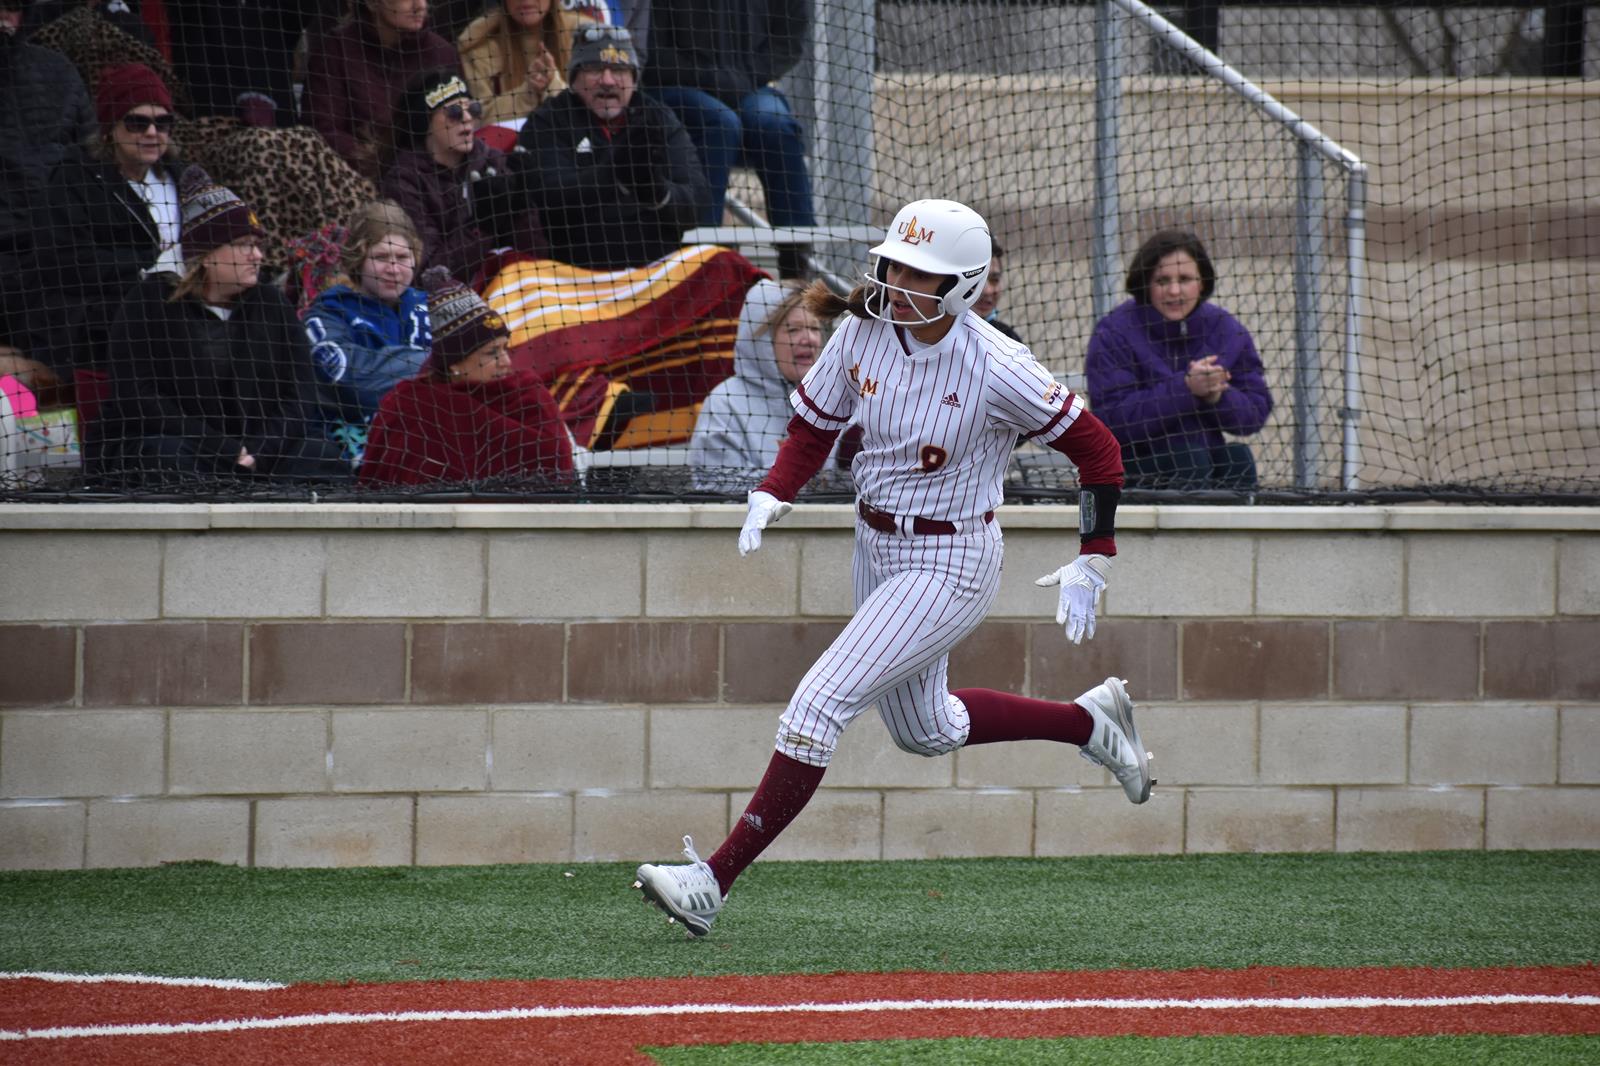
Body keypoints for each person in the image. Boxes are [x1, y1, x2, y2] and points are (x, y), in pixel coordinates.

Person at [633, 198, 1153, 938]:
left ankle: (711, 881)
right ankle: (1088, 722)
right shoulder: (863, 328)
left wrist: (1093, 554)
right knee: (926, 729)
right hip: (875, 543)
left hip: (951, 558)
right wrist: (774, 490)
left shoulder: (996, 363)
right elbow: (813, 425)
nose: (897, 282)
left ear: (963, 285)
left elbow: (1098, 449)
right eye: (894, 265)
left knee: (816, 707)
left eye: (919, 273)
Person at [95, 166, 351, 485]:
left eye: (257, 244)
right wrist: (221, 447)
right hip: (187, 444)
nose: (257, 255)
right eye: (243, 244)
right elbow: (136, 395)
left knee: (322, 457)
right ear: (206, 255)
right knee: (164, 456)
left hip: (260, 450)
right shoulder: (148, 302)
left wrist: (261, 449)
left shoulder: (271, 304)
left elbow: (300, 392)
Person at [27, 63, 183, 387]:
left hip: (182, 310)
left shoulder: (182, 177)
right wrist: (150, 266)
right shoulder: (74, 178)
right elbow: (64, 261)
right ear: (110, 128)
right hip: (98, 323)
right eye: (137, 122)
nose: (152, 132)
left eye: (162, 122)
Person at [504, 24, 706, 271]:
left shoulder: (658, 119)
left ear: (633, 79)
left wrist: (656, 191)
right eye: (595, 69)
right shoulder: (547, 121)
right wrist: (614, 174)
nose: (608, 81)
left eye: (619, 70)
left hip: (656, 274)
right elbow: (549, 201)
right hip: (572, 275)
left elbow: (697, 202)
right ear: (574, 79)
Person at [1084, 229, 1272, 490]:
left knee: (1238, 459)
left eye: (1184, 279)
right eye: (1162, 281)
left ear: (1202, 282)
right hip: (1135, 465)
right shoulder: (1115, 331)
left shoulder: (1225, 329)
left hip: (1204, 460)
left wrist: (1217, 397)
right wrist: (1186, 389)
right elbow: (1112, 420)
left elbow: (1255, 411)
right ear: (1146, 283)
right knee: (1189, 460)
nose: (1174, 291)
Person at [641, 0, 814, 278]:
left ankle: (795, 262)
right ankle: (701, 253)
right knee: (720, 123)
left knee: (776, 126)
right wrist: (715, 78)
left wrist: (744, 76)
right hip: (676, 85)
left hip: (750, 84)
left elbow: (788, 42)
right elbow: (652, 52)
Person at [359, 265, 575, 485]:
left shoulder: (526, 395)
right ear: (454, 363)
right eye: (492, 353)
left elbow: (557, 466)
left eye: (505, 349)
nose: (506, 362)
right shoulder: (411, 406)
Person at [0, 0, 95, 391]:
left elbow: (92, 161)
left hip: (51, 264)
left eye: (11, 6)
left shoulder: (58, 72)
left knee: (48, 386)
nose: (4, 18)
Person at [302, 200, 433, 463]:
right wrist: (437, 368)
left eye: (402, 258)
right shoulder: (327, 314)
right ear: (358, 258)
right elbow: (350, 379)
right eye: (381, 257)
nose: (393, 269)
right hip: (353, 451)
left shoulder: (434, 305)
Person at [382, 69, 541, 282]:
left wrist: (522, 207)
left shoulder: (493, 161)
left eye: (473, 109)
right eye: (454, 112)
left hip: (512, 282)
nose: (467, 118)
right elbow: (430, 275)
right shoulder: (404, 182)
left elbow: (536, 255)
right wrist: (480, 226)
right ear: (424, 122)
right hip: (449, 295)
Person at [687, 277, 828, 491]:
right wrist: (803, 479)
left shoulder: (830, 397)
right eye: (793, 330)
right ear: (762, 341)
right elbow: (717, 486)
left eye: (814, 328)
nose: (810, 339)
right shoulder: (725, 404)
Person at [302, 0, 461, 182]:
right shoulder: (335, 50)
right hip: (354, 181)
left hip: (428, 181)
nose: (420, 6)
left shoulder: (441, 53)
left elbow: (458, 123)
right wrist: (377, 161)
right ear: (372, 3)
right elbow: (321, 130)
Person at [456, 0, 573, 127]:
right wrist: (527, 93)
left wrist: (553, 83)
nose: (526, 0)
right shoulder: (477, 47)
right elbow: (477, 118)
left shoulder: (579, 35)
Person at [973, 240, 1021, 343]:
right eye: (976, 280)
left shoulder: (1009, 339)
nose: (988, 291)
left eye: (994, 280)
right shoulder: (938, 336)